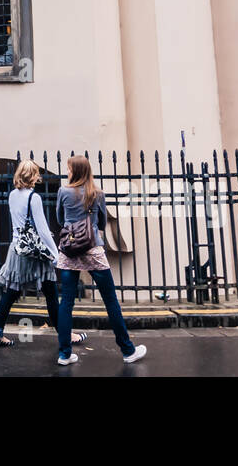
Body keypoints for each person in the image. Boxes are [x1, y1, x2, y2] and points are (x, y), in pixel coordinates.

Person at [54, 154, 147, 366]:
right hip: (92, 249)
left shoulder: (63, 191)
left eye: (69, 169)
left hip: (69, 250)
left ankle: (64, 354)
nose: (67, 172)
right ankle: (127, 350)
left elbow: (60, 219)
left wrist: (72, 224)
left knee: (66, 302)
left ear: (75, 171)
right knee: (110, 300)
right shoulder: (97, 193)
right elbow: (103, 222)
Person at [0, 159, 87, 349]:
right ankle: (66, 336)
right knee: (50, 292)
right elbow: (42, 230)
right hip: (35, 252)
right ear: (33, 175)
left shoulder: (12, 195)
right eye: (36, 173)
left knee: (10, 292)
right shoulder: (34, 197)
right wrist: (55, 254)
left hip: (17, 249)